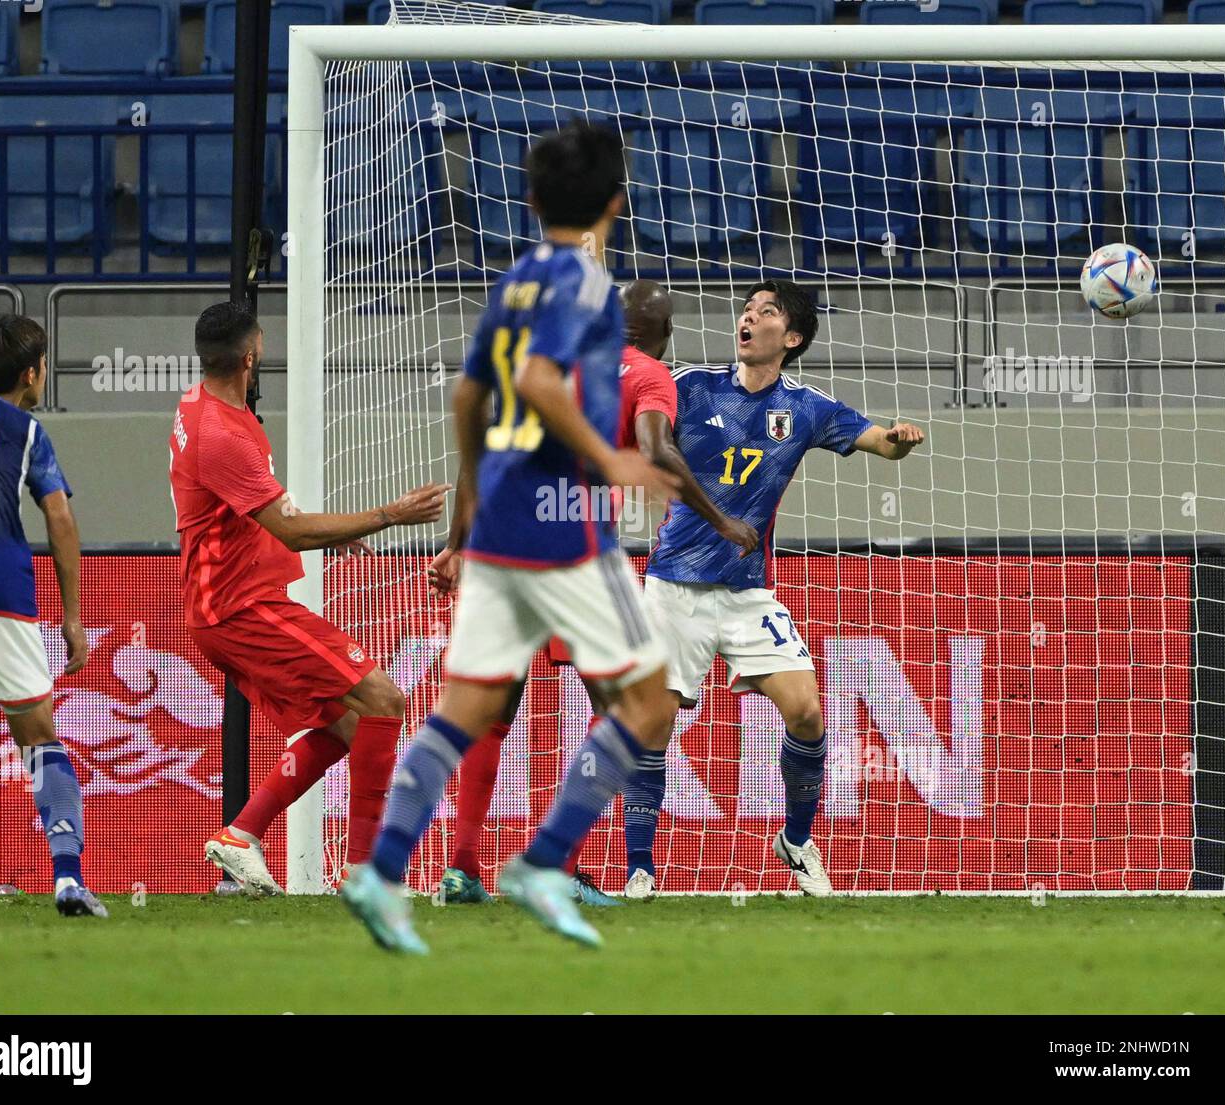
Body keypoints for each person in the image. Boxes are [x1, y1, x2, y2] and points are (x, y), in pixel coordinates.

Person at [342, 120, 680, 954]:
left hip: (496, 522)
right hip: (564, 525)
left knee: (462, 708)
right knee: (649, 701)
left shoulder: (514, 281)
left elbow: (468, 398)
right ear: (616, 203)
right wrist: (611, 458)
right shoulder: (590, 285)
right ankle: (543, 860)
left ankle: (382, 877)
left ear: (528, 202)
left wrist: (466, 513)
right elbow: (535, 380)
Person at [432, 278, 756, 906]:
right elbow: (660, 448)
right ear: (665, 336)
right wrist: (719, 520)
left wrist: (455, 545)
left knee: (493, 713)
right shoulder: (649, 375)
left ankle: (462, 870)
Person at [621, 279, 925, 899]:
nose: (749, 317)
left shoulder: (807, 407)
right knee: (655, 722)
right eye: (747, 308)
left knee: (807, 710)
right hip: (672, 586)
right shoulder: (688, 387)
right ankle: (640, 865)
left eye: (767, 312)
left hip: (746, 592)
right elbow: (635, 428)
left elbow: (877, 443)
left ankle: (796, 838)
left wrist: (897, 440)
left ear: (790, 339)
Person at [169, 301, 449, 895]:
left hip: (228, 601)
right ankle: (367, 871)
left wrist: (339, 531)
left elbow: (262, 511)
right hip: (239, 605)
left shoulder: (201, 407)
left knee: (348, 726)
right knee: (384, 699)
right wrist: (386, 516)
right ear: (251, 357)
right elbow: (288, 528)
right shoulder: (223, 434)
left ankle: (240, 836)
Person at [0, 300, 102, 916]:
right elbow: (59, 518)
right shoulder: (23, 429)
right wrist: (72, 614)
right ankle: (67, 877)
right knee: (38, 738)